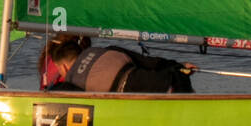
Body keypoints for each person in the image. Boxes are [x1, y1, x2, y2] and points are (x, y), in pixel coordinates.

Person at [38, 36, 194, 94]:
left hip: (129, 93)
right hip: (159, 78)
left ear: (63, 67)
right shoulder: (106, 50)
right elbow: (150, 62)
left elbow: (57, 92)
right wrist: (179, 66)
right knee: (177, 79)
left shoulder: (72, 80)